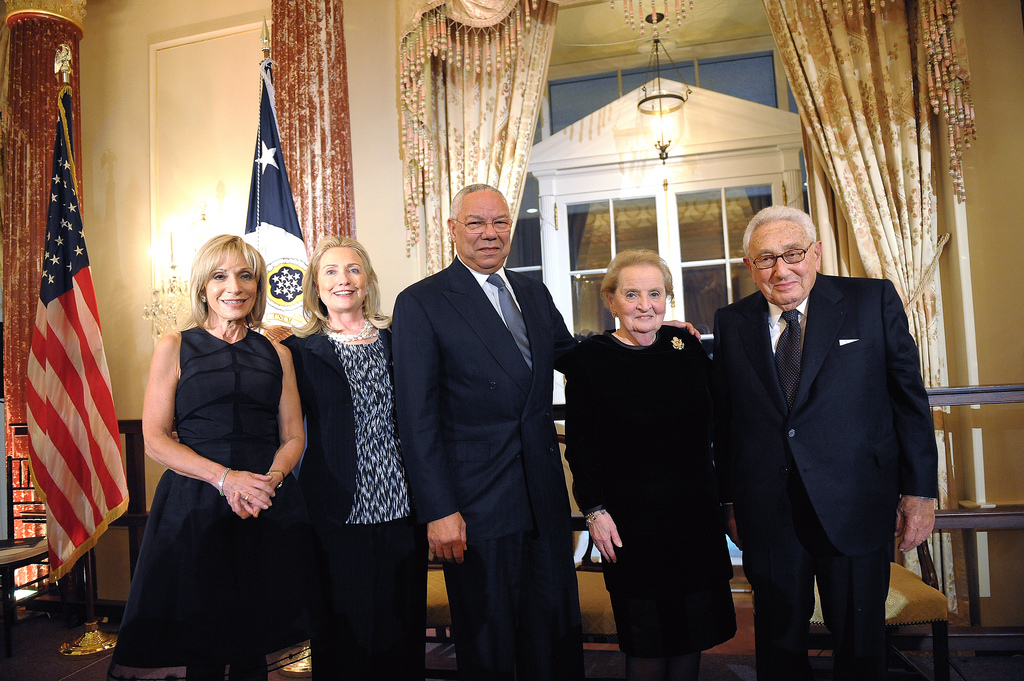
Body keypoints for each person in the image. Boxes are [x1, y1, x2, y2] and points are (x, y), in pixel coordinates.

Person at [711, 205, 938, 681]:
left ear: (816, 253)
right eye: (766, 259)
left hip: (856, 504)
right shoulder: (731, 322)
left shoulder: (872, 300)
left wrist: (919, 494)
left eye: (792, 253)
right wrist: (729, 499)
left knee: (860, 644)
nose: (782, 269)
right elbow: (725, 421)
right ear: (750, 267)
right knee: (777, 642)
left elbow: (909, 402)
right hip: (769, 513)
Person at [391, 184, 584, 681]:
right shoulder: (422, 302)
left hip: (542, 494)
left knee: (551, 636)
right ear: (453, 229)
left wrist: (643, 334)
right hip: (474, 506)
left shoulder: (534, 292)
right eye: (476, 223)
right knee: (490, 642)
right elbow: (416, 417)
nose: (490, 233)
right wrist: (438, 509)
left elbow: (574, 357)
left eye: (500, 222)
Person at [109, 235, 317, 681]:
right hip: (196, 505)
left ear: (259, 286)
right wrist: (227, 479)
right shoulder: (174, 345)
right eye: (221, 276)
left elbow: (294, 434)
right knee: (203, 642)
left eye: (246, 276)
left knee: (254, 643)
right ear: (203, 286)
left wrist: (267, 481)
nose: (234, 287)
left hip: (265, 503)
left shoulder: (278, 353)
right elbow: (156, 439)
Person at [561, 249, 736, 681]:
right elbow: (581, 449)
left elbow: (725, 418)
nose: (645, 306)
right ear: (611, 301)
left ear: (668, 299)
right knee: (647, 639)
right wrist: (595, 512)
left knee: (690, 636)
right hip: (631, 527)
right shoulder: (591, 359)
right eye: (632, 294)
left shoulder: (685, 348)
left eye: (655, 294)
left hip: (694, 520)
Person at [283, 236, 426, 680]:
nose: (342, 280)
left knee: (400, 630)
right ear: (315, 287)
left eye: (352, 270)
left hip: (402, 507)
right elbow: (283, 427)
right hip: (335, 511)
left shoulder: (398, 339)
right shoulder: (296, 351)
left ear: (367, 282)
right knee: (341, 636)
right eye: (330, 271)